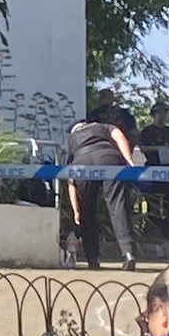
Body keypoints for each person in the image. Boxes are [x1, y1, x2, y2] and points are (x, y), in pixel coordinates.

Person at [60, 92, 141, 268]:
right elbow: (118, 134)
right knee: (118, 206)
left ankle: (92, 258)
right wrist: (129, 161)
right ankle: (128, 254)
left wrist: (76, 210)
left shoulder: (73, 139)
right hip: (109, 159)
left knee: (88, 211)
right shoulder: (103, 127)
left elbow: (71, 180)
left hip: (82, 163)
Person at [133, 104, 169, 242]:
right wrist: (160, 148)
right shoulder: (147, 131)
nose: (162, 115)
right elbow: (143, 148)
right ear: (153, 114)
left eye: (164, 112)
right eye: (159, 112)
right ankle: (152, 229)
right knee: (153, 201)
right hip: (153, 168)